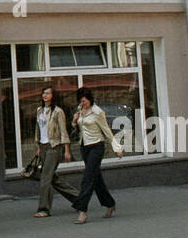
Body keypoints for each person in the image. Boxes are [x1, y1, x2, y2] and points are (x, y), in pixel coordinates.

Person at [71, 87, 122, 224]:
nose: (83, 103)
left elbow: (107, 131)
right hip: (85, 147)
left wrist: (117, 147)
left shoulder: (98, 112)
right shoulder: (79, 109)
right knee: (96, 178)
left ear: (90, 99)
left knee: (87, 178)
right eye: (81, 101)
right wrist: (75, 120)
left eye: (85, 100)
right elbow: (77, 127)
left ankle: (82, 211)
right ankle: (110, 203)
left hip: (96, 146)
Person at [32, 86, 78, 217]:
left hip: (54, 147)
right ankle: (78, 199)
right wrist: (39, 148)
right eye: (43, 93)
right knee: (52, 178)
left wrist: (67, 150)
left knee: (45, 177)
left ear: (53, 96)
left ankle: (44, 208)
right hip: (44, 146)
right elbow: (38, 129)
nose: (45, 95)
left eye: (47, 93)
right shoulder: (39, 110)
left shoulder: (58, 111)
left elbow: (63, 131)